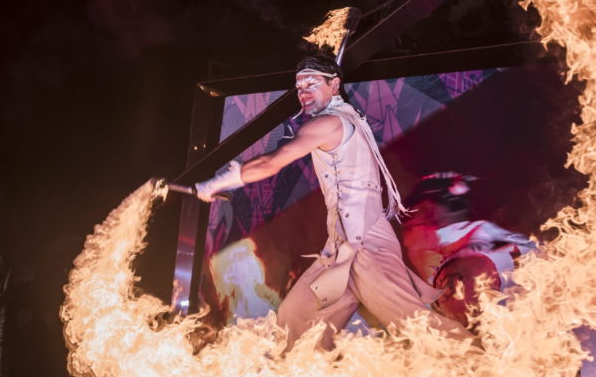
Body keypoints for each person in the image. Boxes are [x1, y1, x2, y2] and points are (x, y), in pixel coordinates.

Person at [195, 55, 470, 349]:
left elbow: (272, 163)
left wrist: (222, 181)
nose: (303, 92)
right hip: (341, 246)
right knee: (296, 318)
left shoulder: (329, 123)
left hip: (364, 244)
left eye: (312, 84)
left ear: (334, 85)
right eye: (299, 86)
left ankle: (480, 370)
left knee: (413, 323)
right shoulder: (346, 118)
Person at [401, 173, 537, 325]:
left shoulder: (479, 233)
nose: (408, 240)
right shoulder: (429, 254)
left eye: (413, 221)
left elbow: (535, 252)